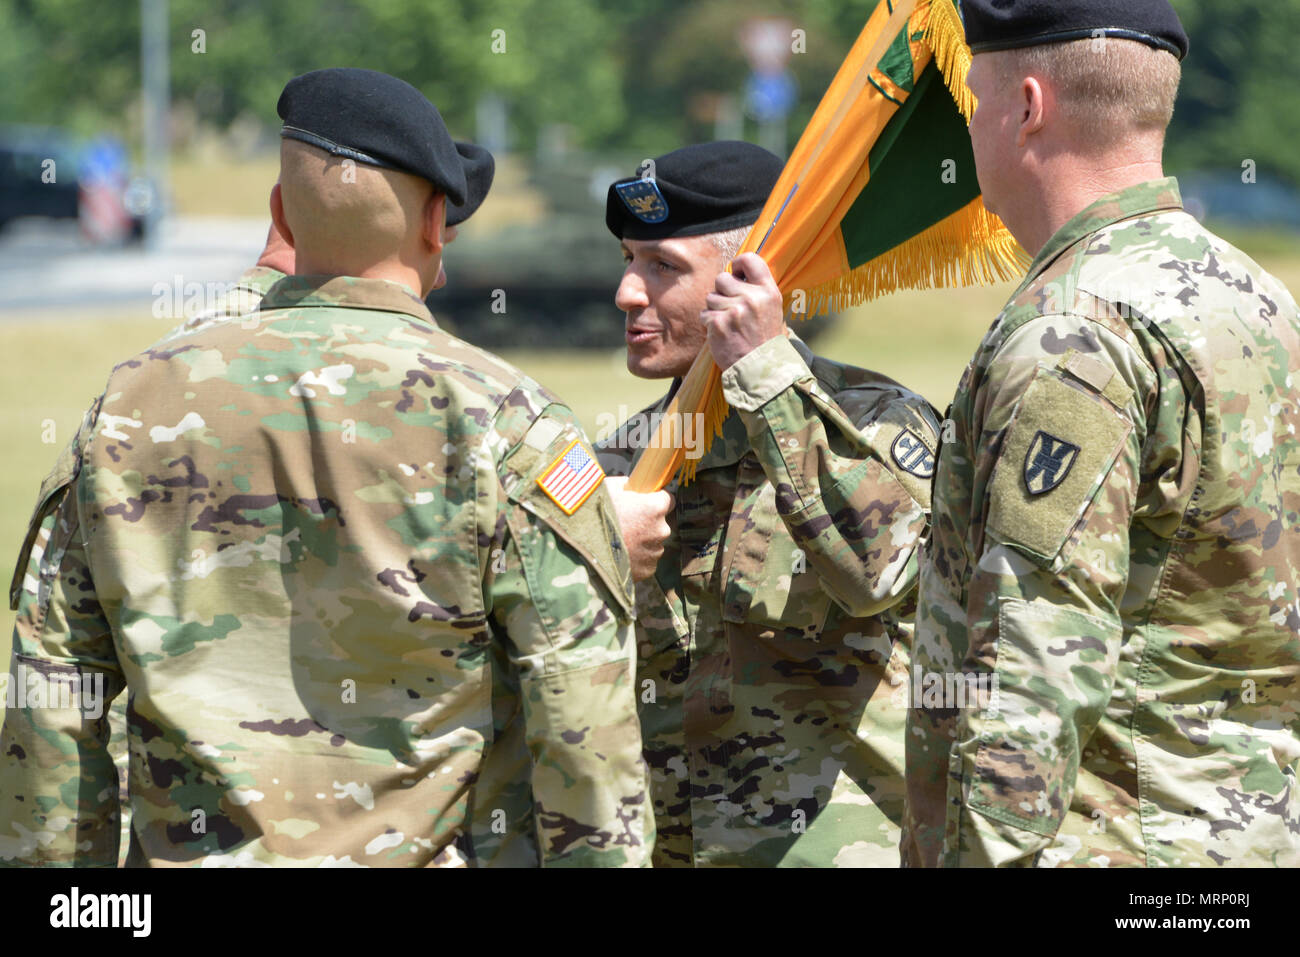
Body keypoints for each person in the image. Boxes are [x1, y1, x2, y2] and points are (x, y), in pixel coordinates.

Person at [0, 67, 670, 867]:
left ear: (281, 213)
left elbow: (51, 704)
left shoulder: (127, 408)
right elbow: (583, 734)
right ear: (435, 220)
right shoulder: (510, 423)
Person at [904, 0, 1300, 867]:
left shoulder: (1072, 332)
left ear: (1028, 106)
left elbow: (1032, 667)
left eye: (975, 101)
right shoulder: (1264, 301)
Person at [596, 141, 941, 866]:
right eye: (629, 260)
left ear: (748, 280)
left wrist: (768, 379)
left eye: (662, 266)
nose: (628, 292)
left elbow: (876, 573)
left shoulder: (874, 421)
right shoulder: (627, 458)